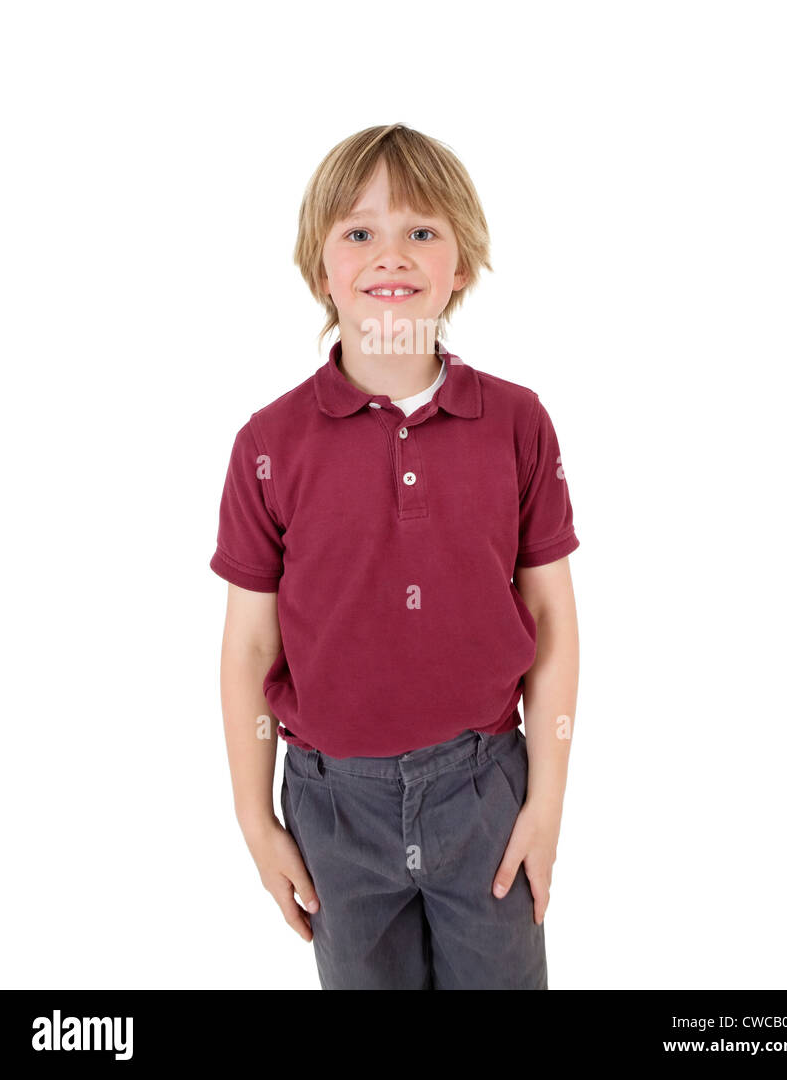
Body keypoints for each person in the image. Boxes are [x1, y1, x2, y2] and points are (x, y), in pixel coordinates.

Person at [211, 122, 580, 989]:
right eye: (360, 232)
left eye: (422, 231)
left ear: (461, 265)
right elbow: (249, 649)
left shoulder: (518, 422)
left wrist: (547, 803)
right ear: (320, 268)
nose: (393, 254)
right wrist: (255, 823)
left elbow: (555, 617)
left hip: (485, 790)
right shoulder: (268, 442)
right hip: (334, 806)